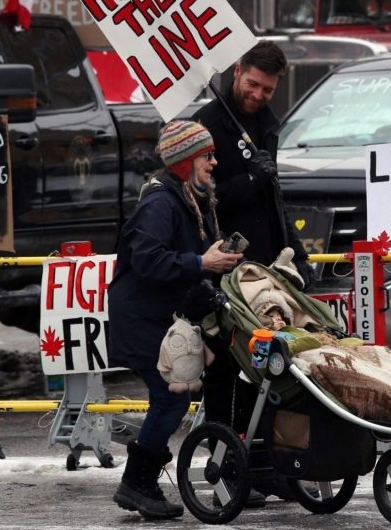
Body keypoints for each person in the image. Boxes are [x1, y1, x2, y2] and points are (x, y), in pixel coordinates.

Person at [192, 40, 312, 500]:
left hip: (267, 268)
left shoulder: (264, 124)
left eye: (268, 89)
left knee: (270, 369)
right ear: (237, 70)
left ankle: (262, 463)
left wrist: (295, 250)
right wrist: (249, 179)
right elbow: (204, 198)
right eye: (253, 84)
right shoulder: (208, 123)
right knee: (225, 369)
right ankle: (224, 464)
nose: (259, 94)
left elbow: (273, 200)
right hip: (224, 266)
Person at [107, 119, 243, 520]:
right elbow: (147, 260)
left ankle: (139, 482)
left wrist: (217, 257)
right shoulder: (160, 203)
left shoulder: (189, 199)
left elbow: (186, 254)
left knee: (171, 397)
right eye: (207, 155)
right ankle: (137, 483)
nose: (214, 163)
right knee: (171, 396)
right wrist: (202, 260)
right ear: (185, 161)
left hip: (162, 318)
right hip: (142, 319)